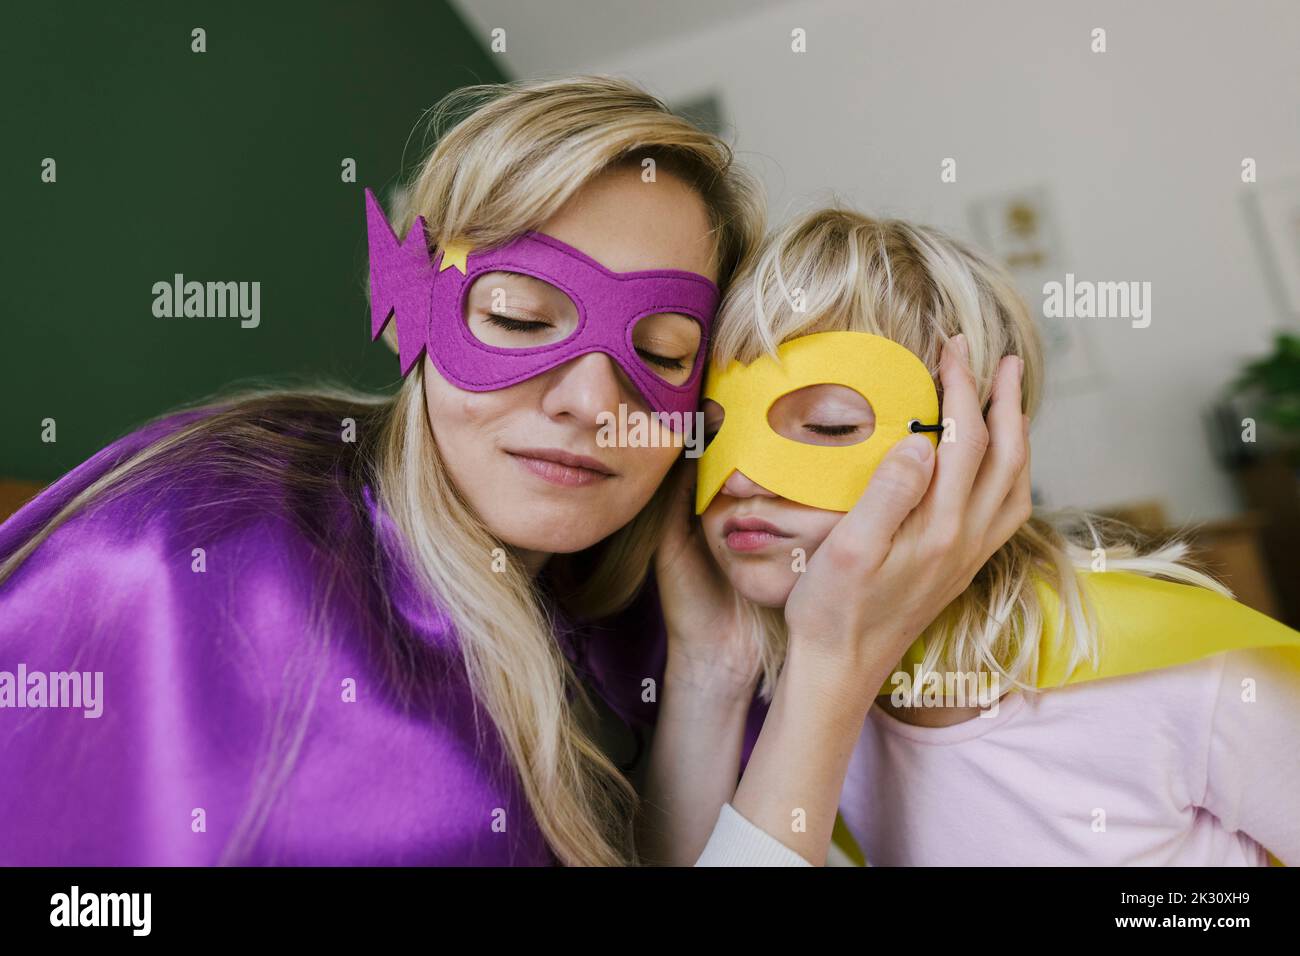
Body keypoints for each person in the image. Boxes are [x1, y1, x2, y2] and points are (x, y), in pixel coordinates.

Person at [0, 75, 767, 866]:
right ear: (412, 306)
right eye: (518, 318)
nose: (590, 401)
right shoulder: (213, 549)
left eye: (660, 353)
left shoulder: (650, 626)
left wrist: (715, 673)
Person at [646, 208, 1300, 866]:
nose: (739, 479)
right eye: (716, 430)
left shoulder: (1177, 679)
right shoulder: (796, 708)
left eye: (829, 424)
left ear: (977, 444)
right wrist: (713, 672)